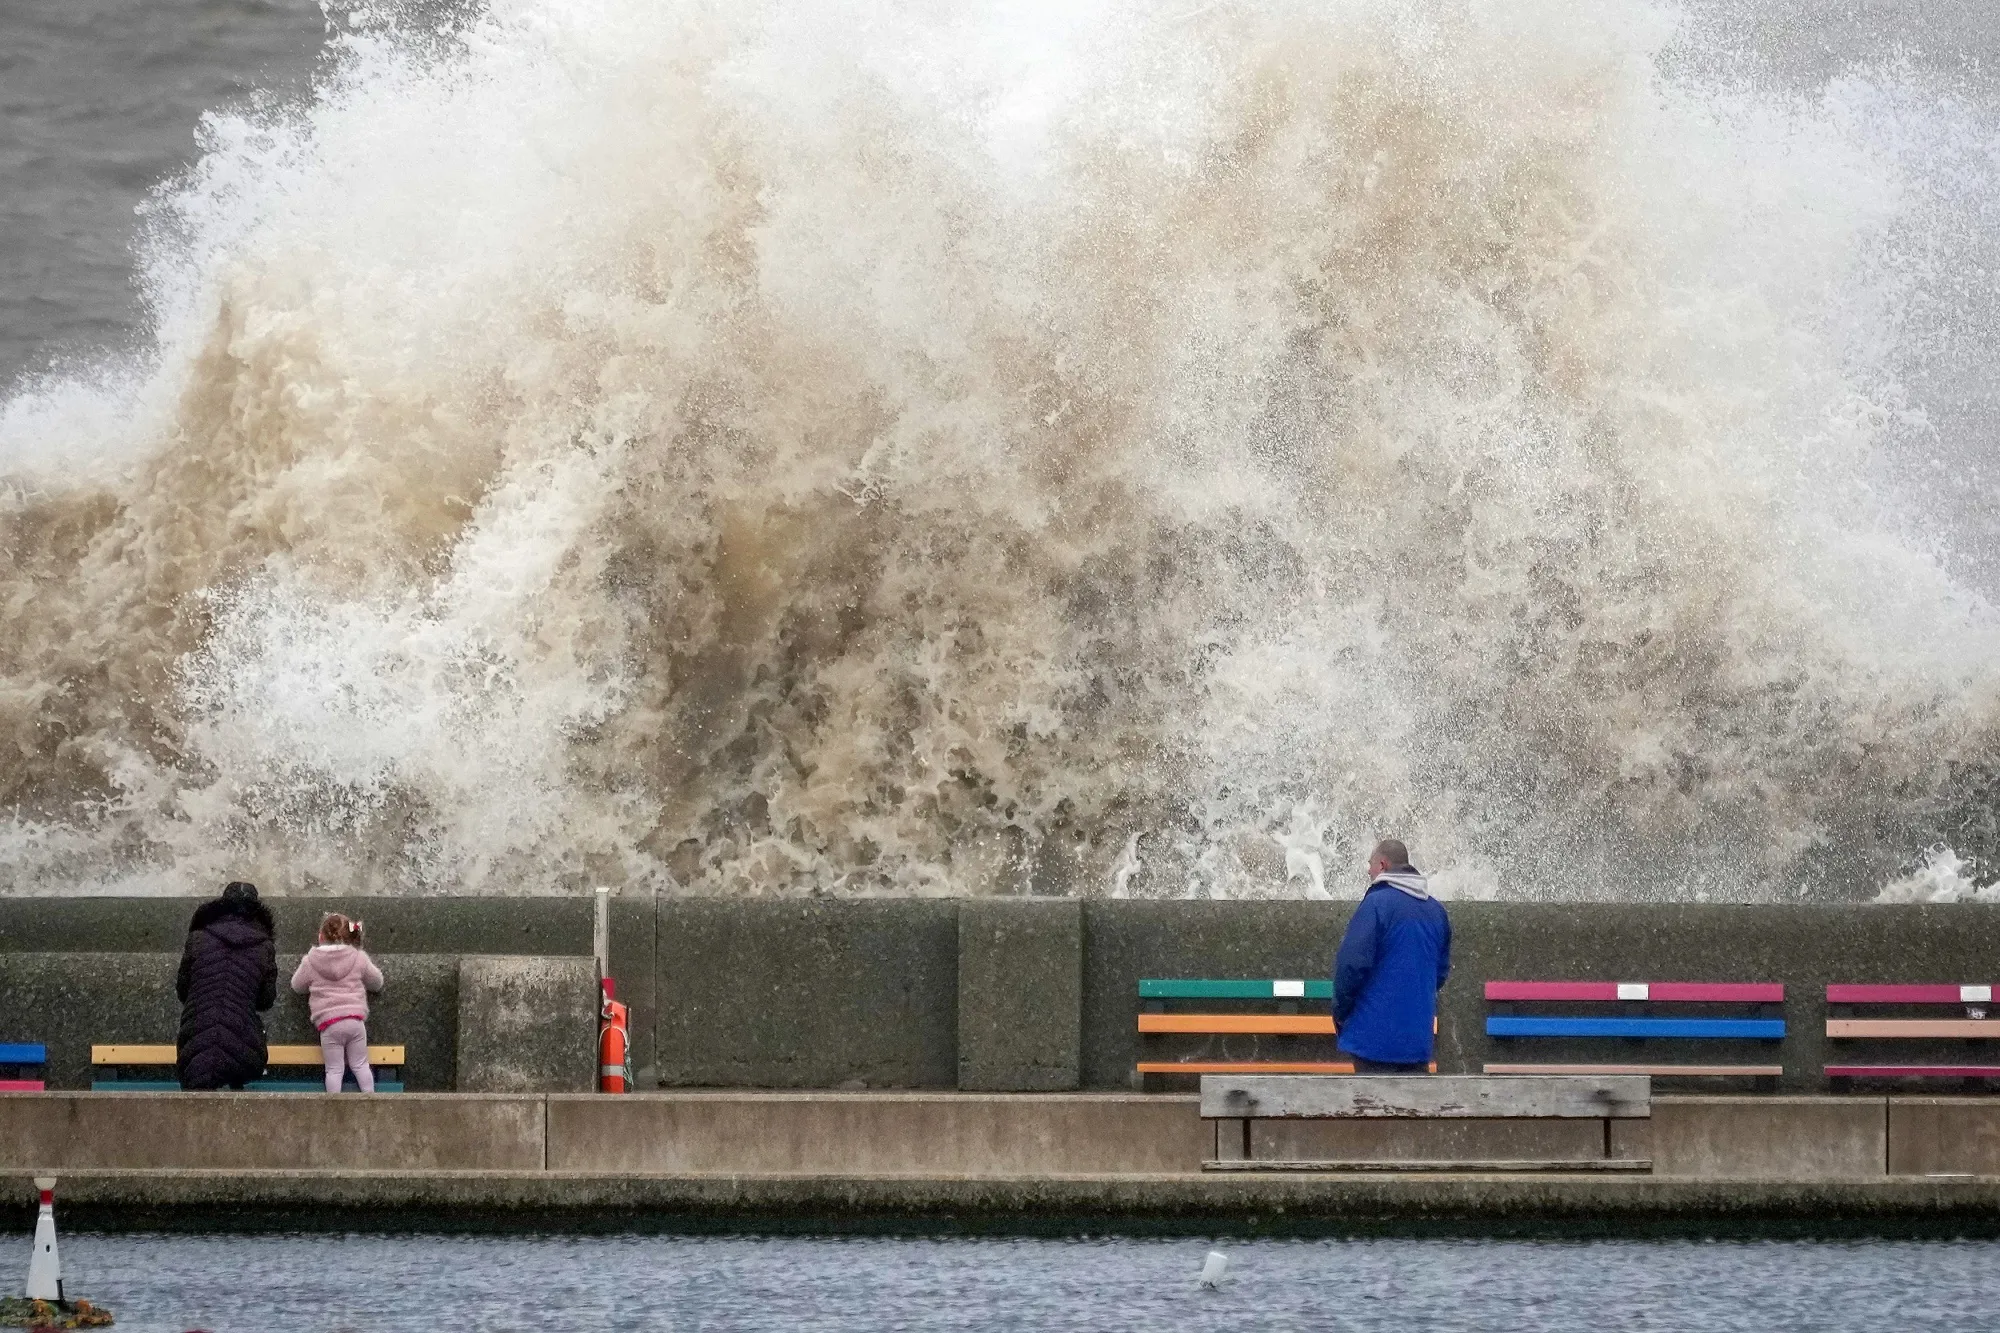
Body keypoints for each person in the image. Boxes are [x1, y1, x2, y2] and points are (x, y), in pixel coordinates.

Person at [1331, 839, 1451, 1073]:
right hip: (1417, 1041)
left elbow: (1350, 967)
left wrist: (1341, 1012)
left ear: (1382, 865)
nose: (1368, 870)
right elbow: (1440, 973)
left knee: (1371, 1106)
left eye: (1370, 864)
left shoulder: (1375, 905)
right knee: (1412, 1107)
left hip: (1372, 1040)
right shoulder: (1437, 911)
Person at [175, 880, 278, 1090]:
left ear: (220, 905)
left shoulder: (198, 938)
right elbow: (266, 1000)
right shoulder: (264, 947)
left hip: (197, 1037)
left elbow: (183, 990)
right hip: (243, 1041)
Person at [290, 912, 384, 1093]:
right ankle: (371, 1102)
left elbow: (296, 986)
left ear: (320, 937)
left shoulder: (310, 961)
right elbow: (377, 982)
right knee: (361, 1065)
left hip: (329, 1024)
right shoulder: (359, 958)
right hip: (354, 1021)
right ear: (350, 936)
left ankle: (334, 1109)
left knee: (334, 1070)